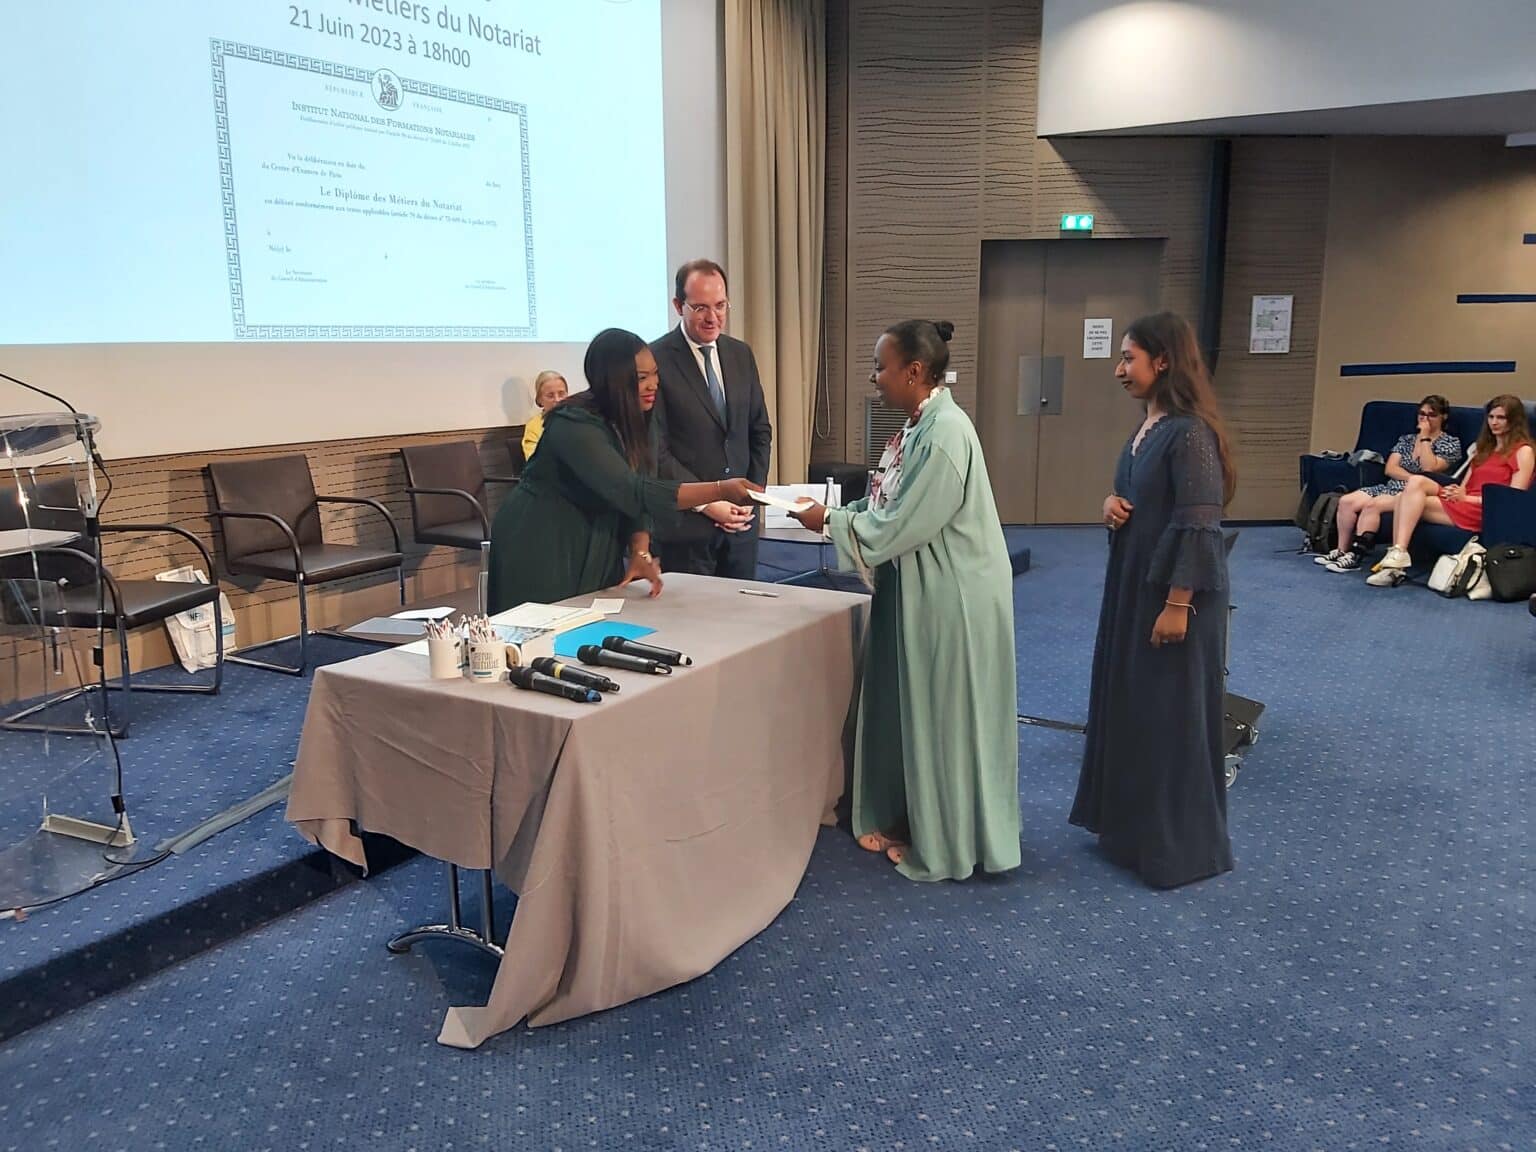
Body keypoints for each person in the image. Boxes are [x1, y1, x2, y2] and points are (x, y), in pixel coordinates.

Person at [788, 320, 1020, 883]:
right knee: (909, 709)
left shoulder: (944, 433)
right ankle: (911, 816)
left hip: (951, 597)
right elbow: (889, 503)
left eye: (881, 367)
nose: (875, 378)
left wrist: (830, 523)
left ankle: (945, 843)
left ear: (914, 372)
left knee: (942, 718)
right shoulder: (919, 425)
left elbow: (900, 524)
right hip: (919, 587)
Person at [1070, 311, 1237, 890]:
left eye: (1128, 358)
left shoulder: (1190, 432)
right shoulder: (1149, 427)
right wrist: (1111, 507)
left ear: (1161, 361)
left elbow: (1199, 524)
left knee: (1170, 713)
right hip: (1136, 586)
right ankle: (1132, 833)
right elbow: (1142, 503)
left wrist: (1178, 604)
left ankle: (1178, 850)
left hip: (1173, 596)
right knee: (1136, 705)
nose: (1119, 369)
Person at [487, 329, 760, 612]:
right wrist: (719, 489)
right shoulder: (573, 424)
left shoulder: (640, 416)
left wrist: (640, 548)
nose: (653, 384)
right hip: (543, 537)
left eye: (655, 373)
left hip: (597, 535)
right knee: (539, 631)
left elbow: (644, 481)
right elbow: (632, 490)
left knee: (592, 626)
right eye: (641, 378)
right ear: (613, 381)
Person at [650, 259, 771, 579]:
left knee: (745, 624)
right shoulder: (655, 359)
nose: (713, 317)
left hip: (742, 524)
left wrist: (752, 495)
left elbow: (759, 430)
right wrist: (708, 502)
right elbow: (656, 451)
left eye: (720, 305)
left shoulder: (740, 354)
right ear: (679, 306)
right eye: (700, 307)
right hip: (687, 530)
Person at [1366, 394, 1534, 588]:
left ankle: (1394, 565)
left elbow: (1512, 500)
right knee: (1416, 484)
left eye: (1501, 418)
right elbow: (1465, 485)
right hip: (1464, 501)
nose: (1494, 422)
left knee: (1407, 499)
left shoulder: (1523, 451)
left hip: (1486, 510)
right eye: (1491, 417)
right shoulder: (1483, 449)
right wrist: (1456, 492)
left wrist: (1466, 498)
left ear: (1514, 420)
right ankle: (1397, 555)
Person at [1315, 395, 1462, 572]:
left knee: (1372, 505)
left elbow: (1429, 468)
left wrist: (1424, 438)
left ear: (1443, 417)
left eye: (1431, 415)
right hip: (1391, 485)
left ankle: (1355, 555)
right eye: (1421, 414)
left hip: (1413, 494)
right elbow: (1391, 468)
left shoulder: (1450, 443)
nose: (1425, 419)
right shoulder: (1406, 439)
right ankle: (1341, 550)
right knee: (1347, 501)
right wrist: (1414, 478)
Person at [520, 370, 569, 463]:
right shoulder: (534, 426)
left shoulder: (579, 419)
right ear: (540, 399)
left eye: (561, 394)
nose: (557, 400)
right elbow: (535, 462)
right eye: (550, 396)